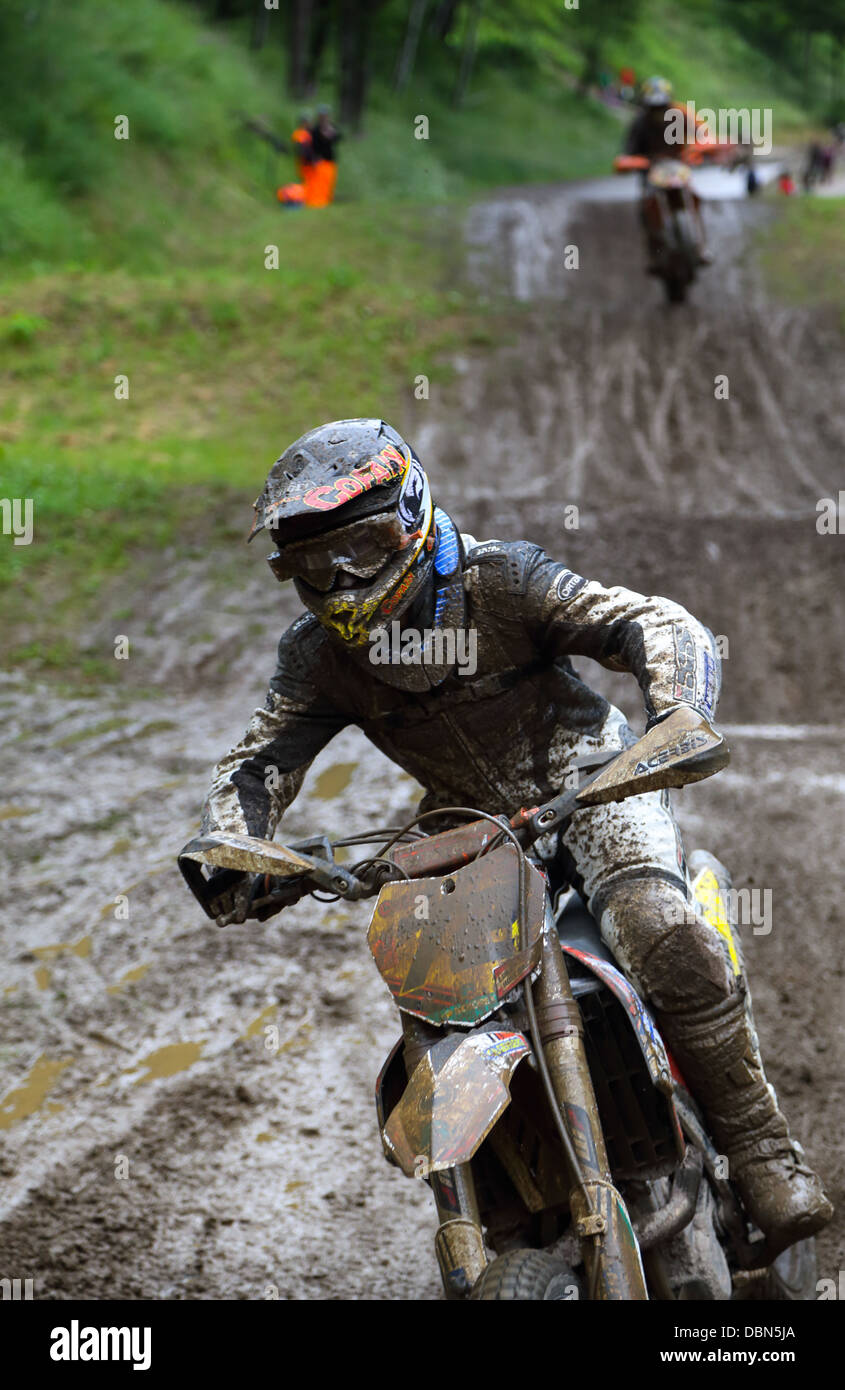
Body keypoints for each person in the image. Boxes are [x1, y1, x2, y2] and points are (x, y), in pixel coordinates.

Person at [192, 418, 832, 1260]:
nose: (343, 579)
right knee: (436, 1004)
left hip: (592, 783)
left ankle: (759, 1152)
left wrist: (677, 711)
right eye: (313, 565)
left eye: (363, 547)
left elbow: (646, 619)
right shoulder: (316, 657)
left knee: (659, 932)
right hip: (463, 826)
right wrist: (237, 854)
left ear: (413, 515)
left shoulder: (506, 580)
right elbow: (257, 760)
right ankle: (498, 1205)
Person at [622, 75, 712, 267]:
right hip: (651, 171)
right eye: (654, 108)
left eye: (662, 106)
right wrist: (634, 162)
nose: (658, 112)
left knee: (694, 197)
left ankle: (701, 246)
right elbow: (628, 151)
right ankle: (654, 254)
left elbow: (702, 133)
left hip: (678, 166)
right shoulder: (639, 123)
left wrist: (700, 148)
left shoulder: (680, 114)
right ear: (646, 105)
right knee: (645, 208)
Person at [307, 105, 342, 207]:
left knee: (329, 182)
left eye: (325, 115)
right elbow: (312, 144)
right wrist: (313, 158)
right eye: (322, 115)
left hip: (330, 160)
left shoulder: (332, 128)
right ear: (319, 117)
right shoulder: (315, 130)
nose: (324, 117)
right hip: (319, 160)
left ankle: (327, 202)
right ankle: (318, 202)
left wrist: (332, 134)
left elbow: (339, 138)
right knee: (319, 182)